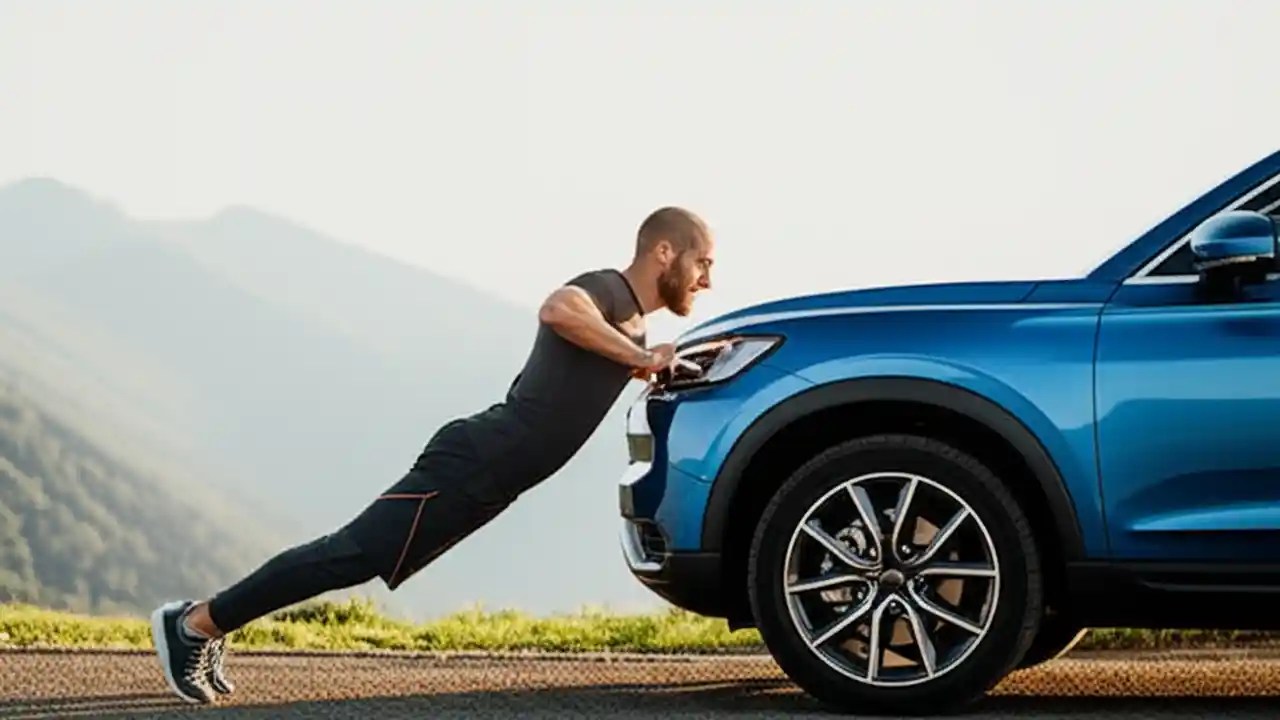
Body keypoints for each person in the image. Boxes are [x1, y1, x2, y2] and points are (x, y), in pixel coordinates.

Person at [149, 206, 716, 704]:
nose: (707, 279)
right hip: (472, 459)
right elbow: (556, 309)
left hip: (489, 481)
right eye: (702, 262)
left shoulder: (635, 328)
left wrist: (666, 363)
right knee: (346, 555)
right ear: (663, 251)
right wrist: (636, 356)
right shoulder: (605, 290)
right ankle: (194, 626)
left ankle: (204, 624)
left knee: (350, 558)